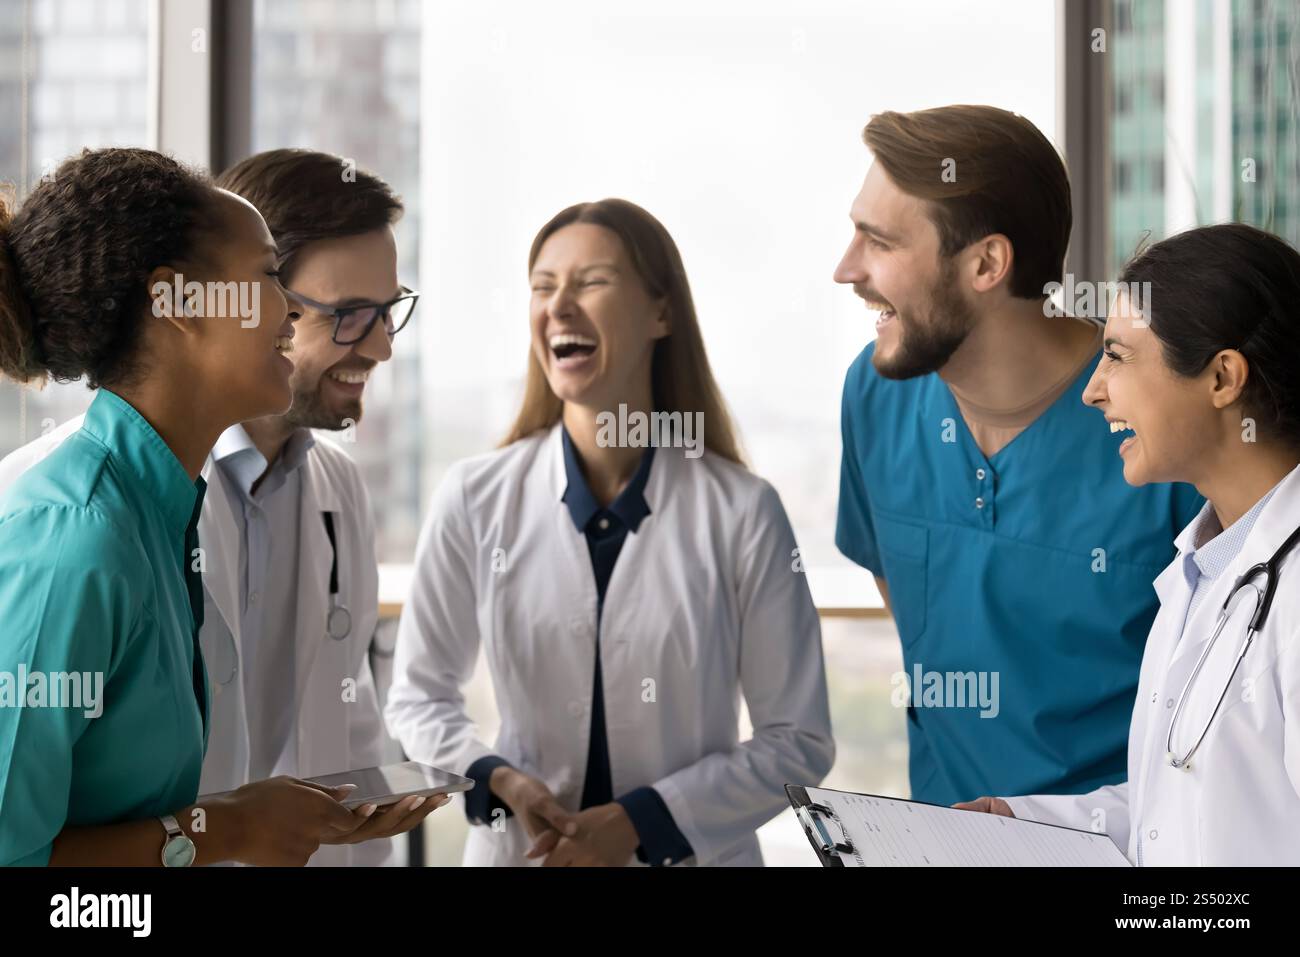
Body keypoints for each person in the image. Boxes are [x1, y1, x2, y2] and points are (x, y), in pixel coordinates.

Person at [0, 149, 433, 866]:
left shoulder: (161, 511)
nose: (290, 314)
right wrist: (222, 829)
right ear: (179, 304)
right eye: (267, 278)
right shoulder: (71, 536)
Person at [386, 198, 835, 866]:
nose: (559, 306)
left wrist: (638, 821)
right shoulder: (474, 497)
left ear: (662, 311)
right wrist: (495, 776)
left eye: (591, 282)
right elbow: (418, 698)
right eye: (543, 286)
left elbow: (797, 740)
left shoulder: (742, 511)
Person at [832, 105, 1203, 807]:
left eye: (877, 241)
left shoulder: (1162, 423)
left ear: (986, 264)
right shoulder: (874, 396)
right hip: (941, 841)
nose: (845, 269)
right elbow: (909, 609)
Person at [956, 223, 1300, 865]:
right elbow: (1174, 813)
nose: (1092, 389)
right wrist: (1014, 824)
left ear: (1222, 378)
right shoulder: (1205, 571)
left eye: (1116, 355)